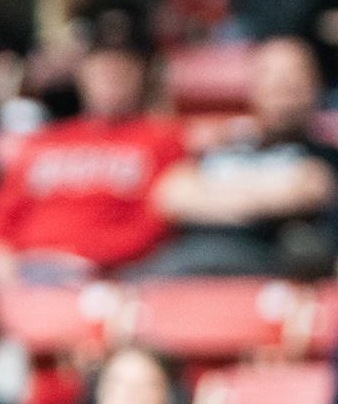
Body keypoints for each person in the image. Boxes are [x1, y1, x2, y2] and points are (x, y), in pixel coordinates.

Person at [0, 23, 186, 282]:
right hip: (23, 269)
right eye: (102, 68)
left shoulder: (163, 139)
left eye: (122, 69)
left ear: (140, 75)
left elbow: (156, 221)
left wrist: (91, 258)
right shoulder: (46, 140)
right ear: (83, 73)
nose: (111, 77)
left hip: (108, 275)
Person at [140, 36, 338, 278]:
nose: (283, 85)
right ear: (253, 85)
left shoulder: (326, 156)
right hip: (184, 265)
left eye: (294, 74)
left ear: (316, 85)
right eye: (271, 74)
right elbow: (172, 196)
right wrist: (263, 200)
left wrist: (212, 194)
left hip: (267, 268)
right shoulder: (222, 148)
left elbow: (308, 189)